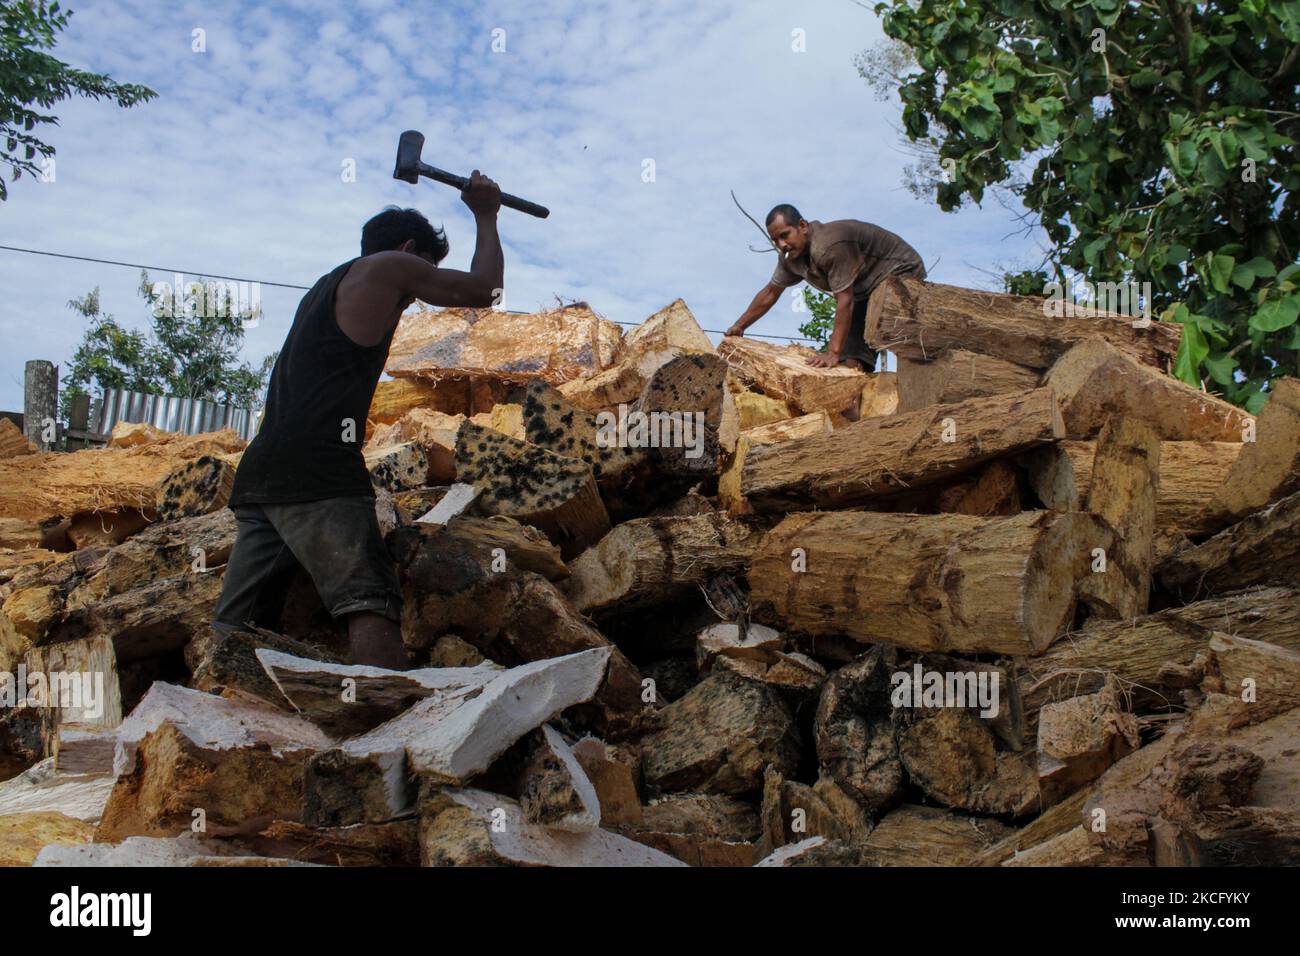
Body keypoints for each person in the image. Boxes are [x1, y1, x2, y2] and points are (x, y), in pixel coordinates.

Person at [212, 172, 504, 669]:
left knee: (238, 624)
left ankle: (213, 708)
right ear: (407, 250)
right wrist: (485, 213)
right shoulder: (386, 268)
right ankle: (384, 723)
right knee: (368, 595)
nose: (417, 294)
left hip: (264, 470)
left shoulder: (325, 289)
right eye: (426, 272)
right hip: (317, 468)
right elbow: (485, 290)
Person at [726, 204, 926, 371]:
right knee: (849, 361)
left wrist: (832, 352)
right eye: (776, 240)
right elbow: (770, 293)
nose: (782, 244)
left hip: (899, 270)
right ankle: (855, 414)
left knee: (890, 332)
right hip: (864, 290)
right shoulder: (791, 258)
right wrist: (740, 325)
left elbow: (845, 300)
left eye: (785, 235)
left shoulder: (828, 246)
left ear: (802, 226)